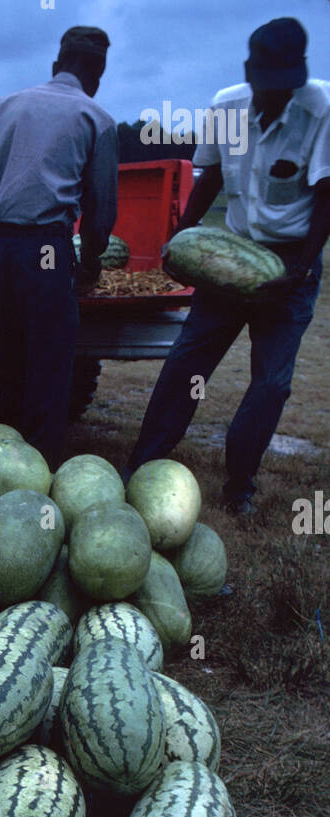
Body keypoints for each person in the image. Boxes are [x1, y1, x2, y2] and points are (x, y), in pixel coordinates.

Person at [125, 17, 330, 515]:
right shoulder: (226, 106)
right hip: (229, 254)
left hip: (290, 262)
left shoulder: (321, 108)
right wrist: (179, 240)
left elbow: (326, 195)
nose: (278, 97)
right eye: (269, 86)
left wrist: (299, 273)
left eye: (288, 86)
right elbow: (210, 176)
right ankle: (142, 463)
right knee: (186, 364)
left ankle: (239, 482)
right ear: (249, 71)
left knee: (272, 382)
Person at [0, 27, 118, 468]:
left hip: (0, 250)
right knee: (49, 373)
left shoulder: (8, 106)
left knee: (9, 366)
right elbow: (101, 211)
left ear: (56, 65)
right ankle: (39, 479)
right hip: (46, 252)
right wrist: (88, 266)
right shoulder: (96, 119)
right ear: (99, 73)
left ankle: (3, 470)